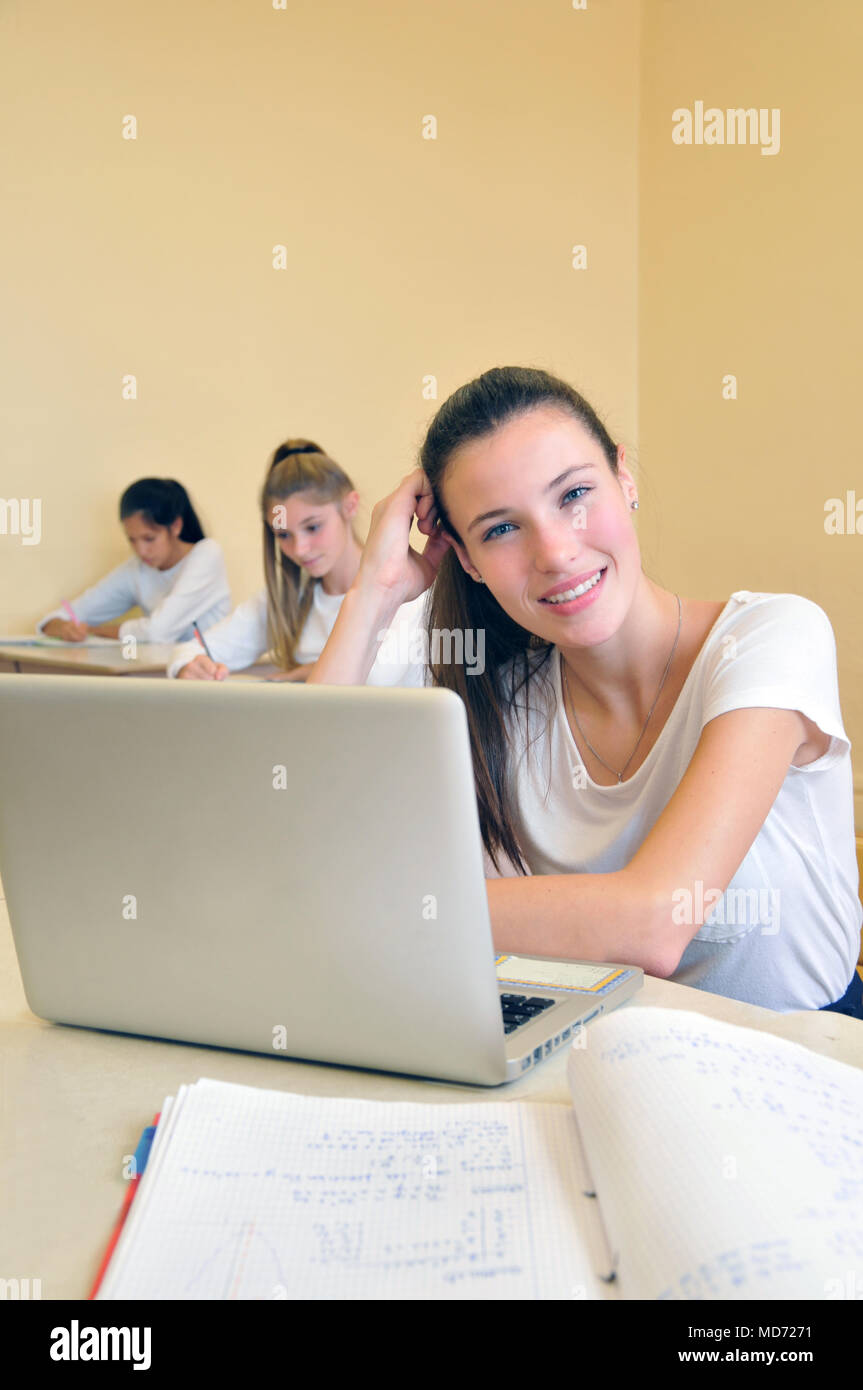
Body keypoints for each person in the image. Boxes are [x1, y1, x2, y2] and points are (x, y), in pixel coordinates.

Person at [307, 365, 863, 1016]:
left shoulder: (770, 636)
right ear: (466, 560)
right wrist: (373, 594)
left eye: (572, 494)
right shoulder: (496, 690)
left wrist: (366, 905)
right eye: (499, 529)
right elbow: (291, 813)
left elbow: (653, 922)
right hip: (608, 1058)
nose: (555, 552)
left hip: (807, 1062)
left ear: (623, 477)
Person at [169, 439, 427, 684]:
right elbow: (188, 651)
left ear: (350, 506)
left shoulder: (412, 592)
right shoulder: (286, 600)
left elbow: (376, 678)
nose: (300, 549)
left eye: (312, 527)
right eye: (283, 535)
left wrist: (307, 673)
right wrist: (188, 666)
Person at [38, 478, 230, 644]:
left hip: (210, 676)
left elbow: (157, 632)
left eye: (149, 538)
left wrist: (92, 631)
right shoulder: (137, 569)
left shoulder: (206, 554)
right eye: (132, 539)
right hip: (163, 675)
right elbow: (52, 620)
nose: (140, 550)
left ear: (176, 526)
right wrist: (64, 628)